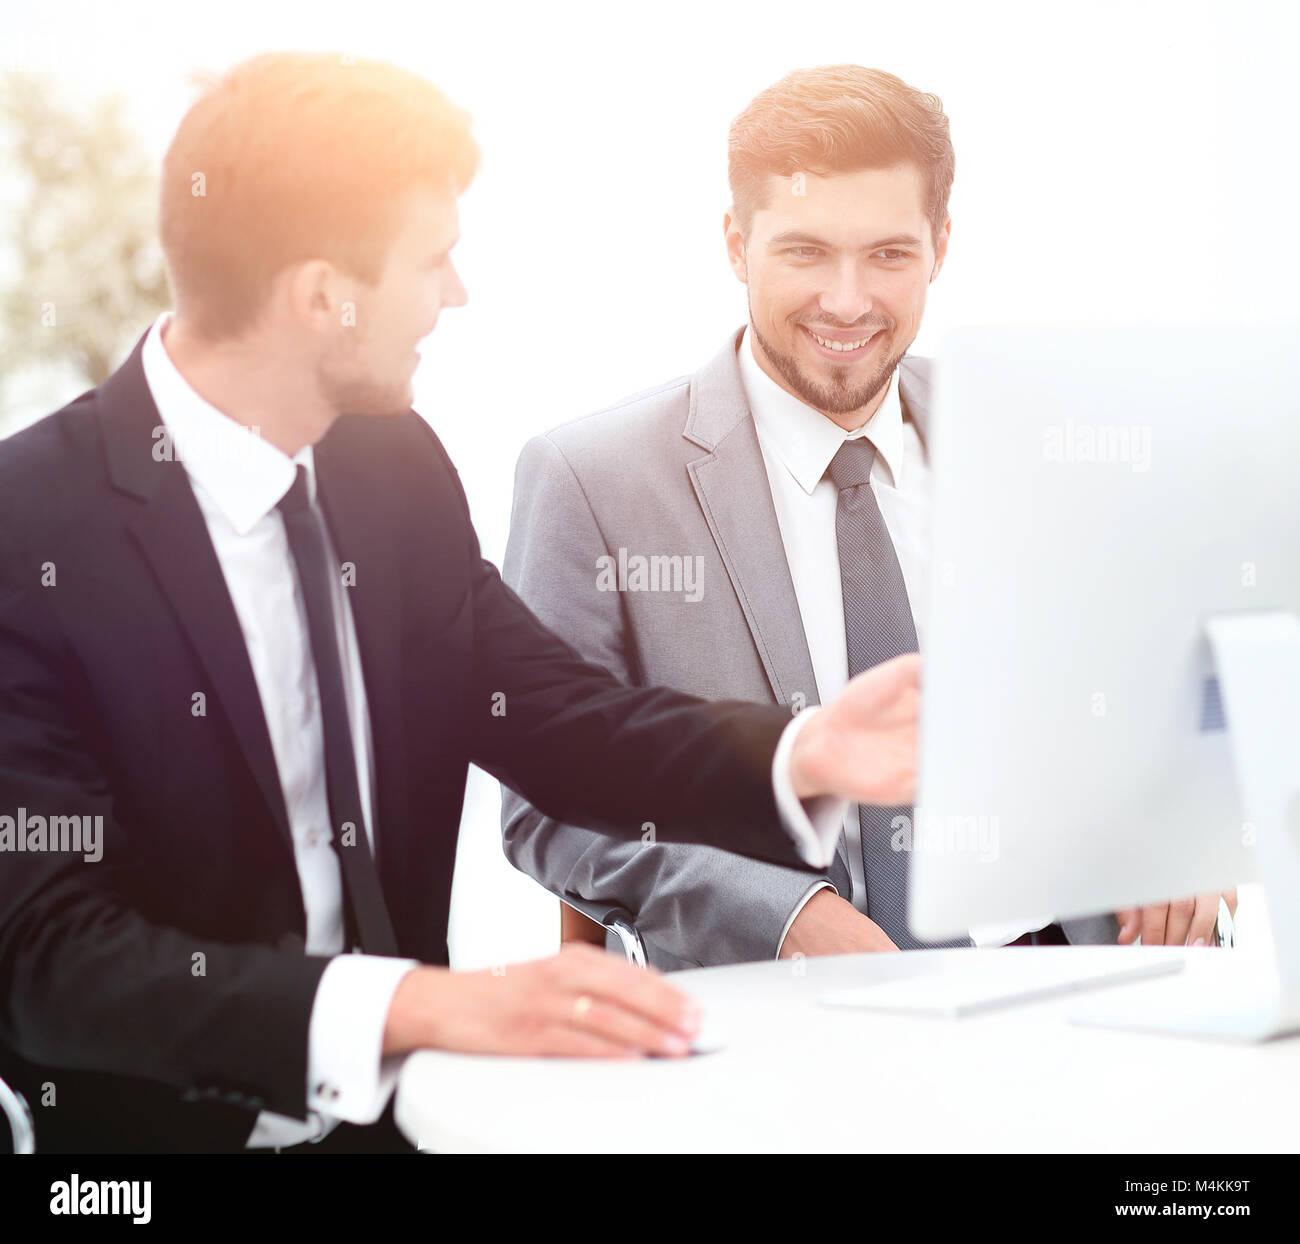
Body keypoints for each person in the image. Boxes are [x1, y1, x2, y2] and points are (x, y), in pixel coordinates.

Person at [0, 53, 923, 1153]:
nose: (456, 293)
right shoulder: (30, 531)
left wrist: (805, 751)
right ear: (320, 298)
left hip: (409, 1127)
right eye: (432, 260)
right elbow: (46, 956)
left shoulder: (389, 470)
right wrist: (421, 1005)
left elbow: (557, 720)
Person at [501, 64, 1235, 969]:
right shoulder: (592, 479)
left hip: (1071, 973)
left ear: (941, 247)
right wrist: (784, 916)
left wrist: (1182, 833)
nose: (847, 302)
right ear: (736, 245)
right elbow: (548, 803)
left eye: (889, 254)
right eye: (805, 251)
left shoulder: (1037, 437)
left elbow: (1143, 703)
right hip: (789, 1019)